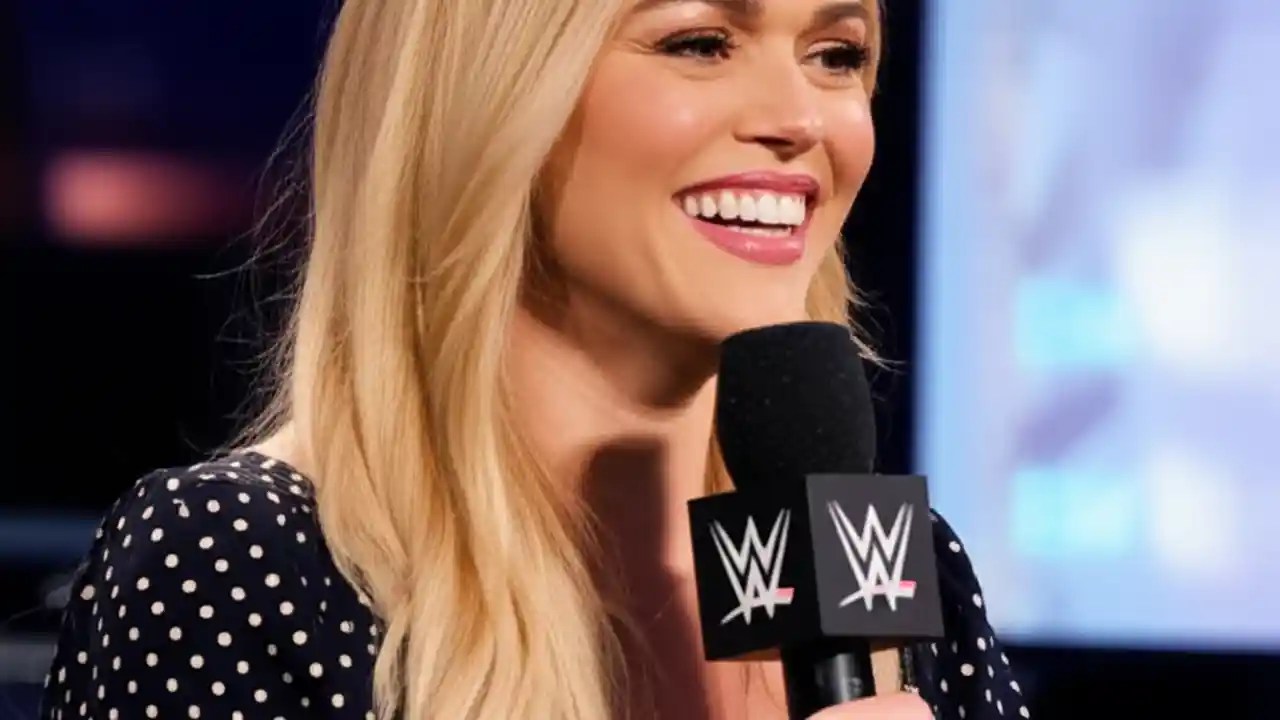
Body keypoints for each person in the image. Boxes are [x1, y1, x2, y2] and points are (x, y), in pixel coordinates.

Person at [40, 0, 1030, 718]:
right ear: (494, 98)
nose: (800, 119)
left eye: (833, 53)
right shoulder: (237, 561)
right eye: (699, 42)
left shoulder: (888, 569)